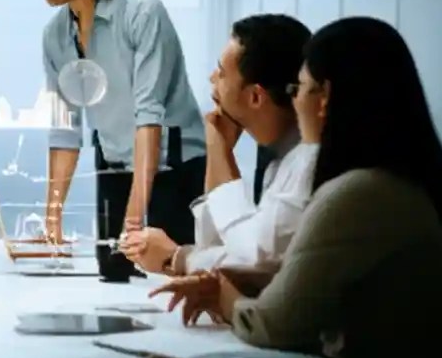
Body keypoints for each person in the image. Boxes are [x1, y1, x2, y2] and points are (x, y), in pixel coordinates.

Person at [150, 16, 442, 358]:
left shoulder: (356, 193)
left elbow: (272, 322)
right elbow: (275, 277)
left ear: (324, 98)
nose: (293, 101)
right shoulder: (386, 182)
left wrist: (217, 287)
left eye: (299, 89)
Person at [33, 0, 206, 282]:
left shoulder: (140, 11)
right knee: (113, 273)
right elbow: (65, 128)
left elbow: (149, 117)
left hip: (172, 165)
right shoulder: (55, 36)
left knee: (170, 280)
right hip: (114, 160)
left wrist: (133, 221)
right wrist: (53, 217)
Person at [123, 14, 316, 275]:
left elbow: (254, 260)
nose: (212, 78)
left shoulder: (307, 163)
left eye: (222, 73)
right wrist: (218, 148)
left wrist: (177, 258)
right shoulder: (279, 158)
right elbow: (218, 246)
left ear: (256, 96)